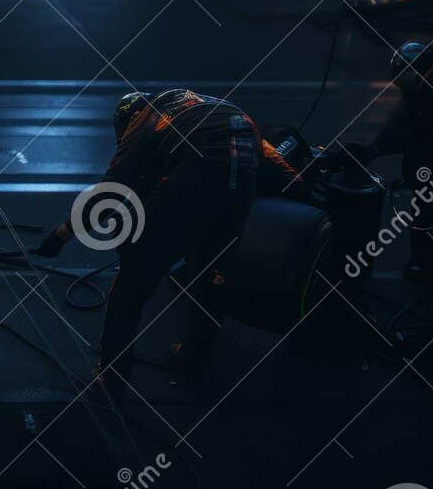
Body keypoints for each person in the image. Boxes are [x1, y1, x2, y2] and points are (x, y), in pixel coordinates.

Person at [35, 89, 297, 387]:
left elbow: (111, 192)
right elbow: (276, 163)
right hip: (241, 179)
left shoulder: (144, 118)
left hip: (196, 178)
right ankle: (193, 359)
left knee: (132, 281)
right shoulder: (209, 107)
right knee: (210, 274)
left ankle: (112, 373)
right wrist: (307, 187)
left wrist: (60, 236)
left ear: (128, 118)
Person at [361, 40, 433, 289]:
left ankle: (427, 260)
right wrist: (374, 149)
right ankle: (426, 259)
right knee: (425, 183)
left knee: (426, 187)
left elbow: (417, 127)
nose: (403, 89)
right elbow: (408, 122)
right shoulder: (430, 84)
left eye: (404, 81)